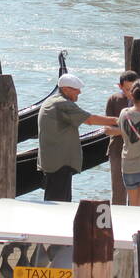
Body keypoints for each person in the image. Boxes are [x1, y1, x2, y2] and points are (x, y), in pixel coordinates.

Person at [37, 73, 117, 203]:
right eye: (76, 89)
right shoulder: (63, 104)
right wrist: (119, 120)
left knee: (53, 199)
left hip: (51, 160)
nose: (79, 92)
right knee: (60, 201)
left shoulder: (50, 101)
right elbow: (90, 120)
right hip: (60, 162)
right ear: (66, 89)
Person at [104, 71, 139, 205]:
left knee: (136, 191)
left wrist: (119, 130)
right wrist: (130, 131)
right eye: (127, 89)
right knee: (118, 190)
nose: (131, 92)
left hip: (139, 152)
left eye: (134, 89)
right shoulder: (114, 100)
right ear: (120, 86)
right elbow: (108, 130)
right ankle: (118, 219)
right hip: (117, 150)